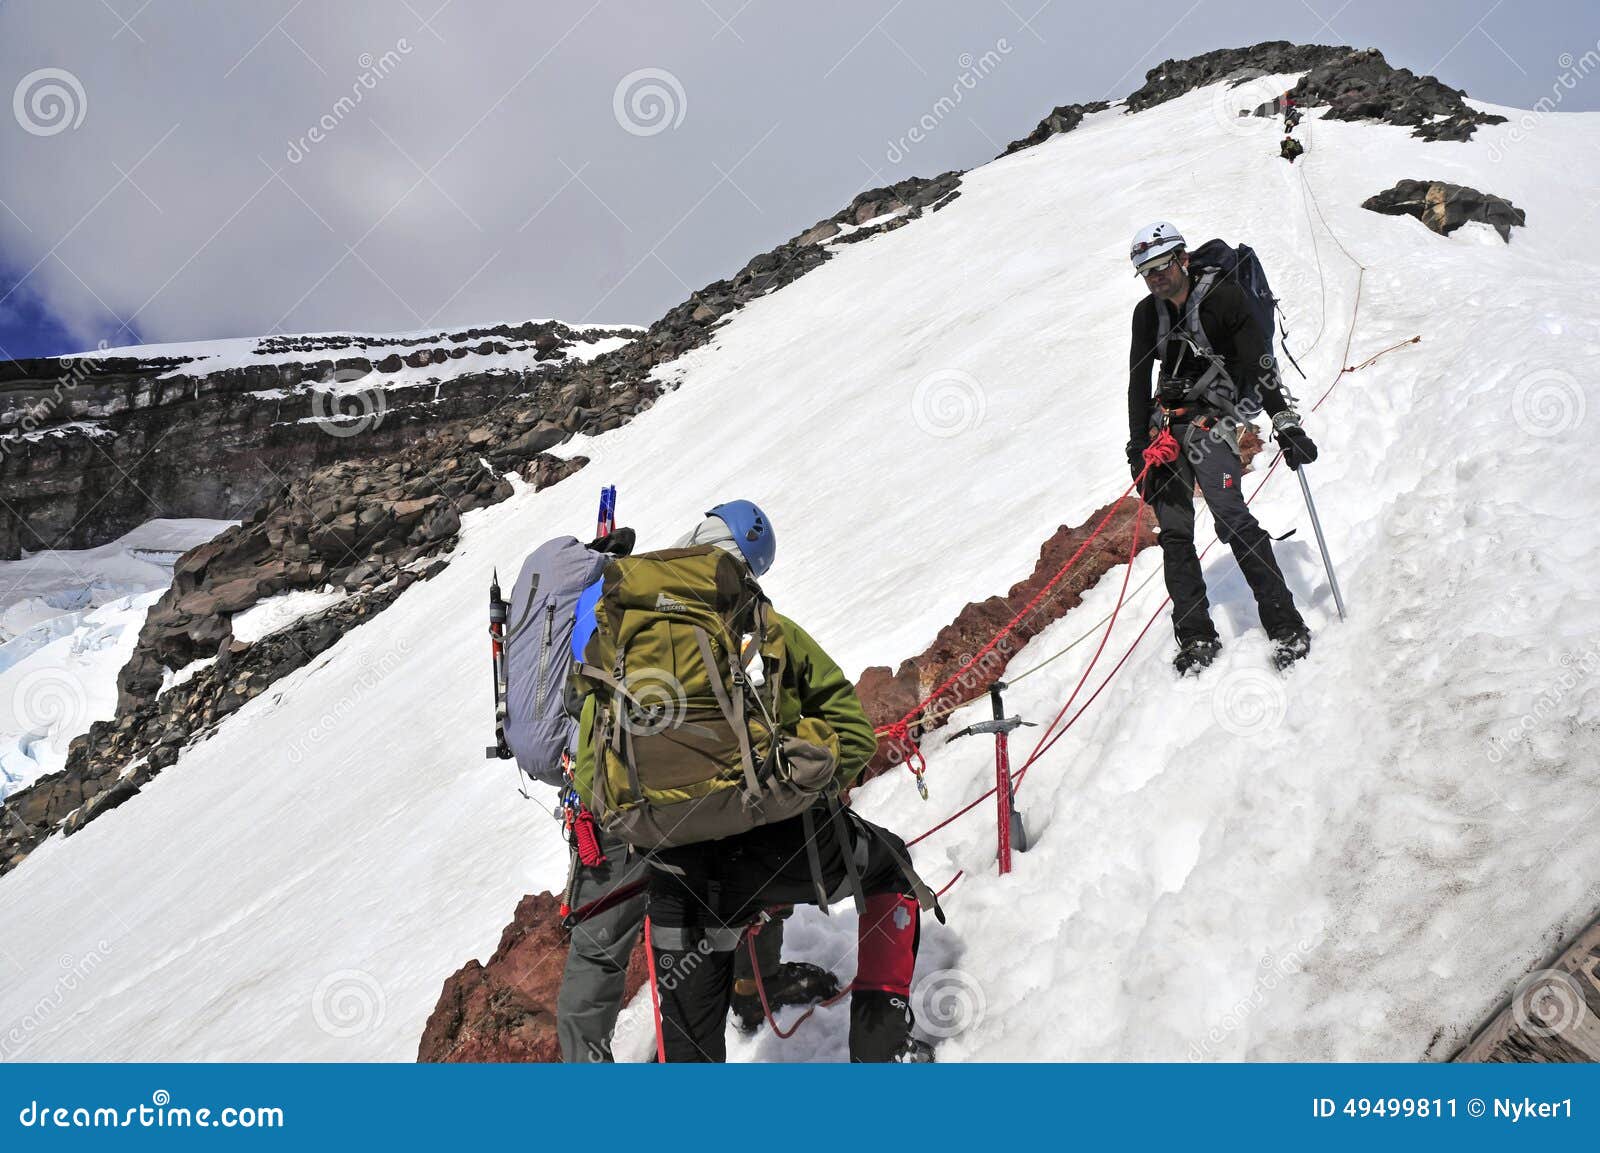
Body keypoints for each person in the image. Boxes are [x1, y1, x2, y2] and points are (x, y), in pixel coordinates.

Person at [570, 501, 940, 1062]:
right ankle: (879, 1048)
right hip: (789, 851)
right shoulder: (768, 633)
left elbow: (596, 781)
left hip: (678, 878)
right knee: (890, 868)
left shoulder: (619, 647)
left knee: (690, 1053)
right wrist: (794, 785)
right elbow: (854, 736)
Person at [556, 513, 840, 1061]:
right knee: (746, 867)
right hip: (669, 793)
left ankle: (603, 1061)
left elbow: (584, 699)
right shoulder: (712, 601)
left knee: (605, 943)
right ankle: (748, 992)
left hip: (619, 792)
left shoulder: (629, 587)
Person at [1124, 222, 1318, 674]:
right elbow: (1137, 380)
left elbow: (1260, 361)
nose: (1154, 277)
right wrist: (1137, 447)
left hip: (1214, 424)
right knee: (1174, 534)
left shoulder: (1224, 298)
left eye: (1160, 265)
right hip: (1166, 431)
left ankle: (1285, 624)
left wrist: (1284, 420)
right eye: (1145, 270)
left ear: (1182, 259)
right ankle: (1195, 637)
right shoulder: (1145, 314)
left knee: (1233, 519)